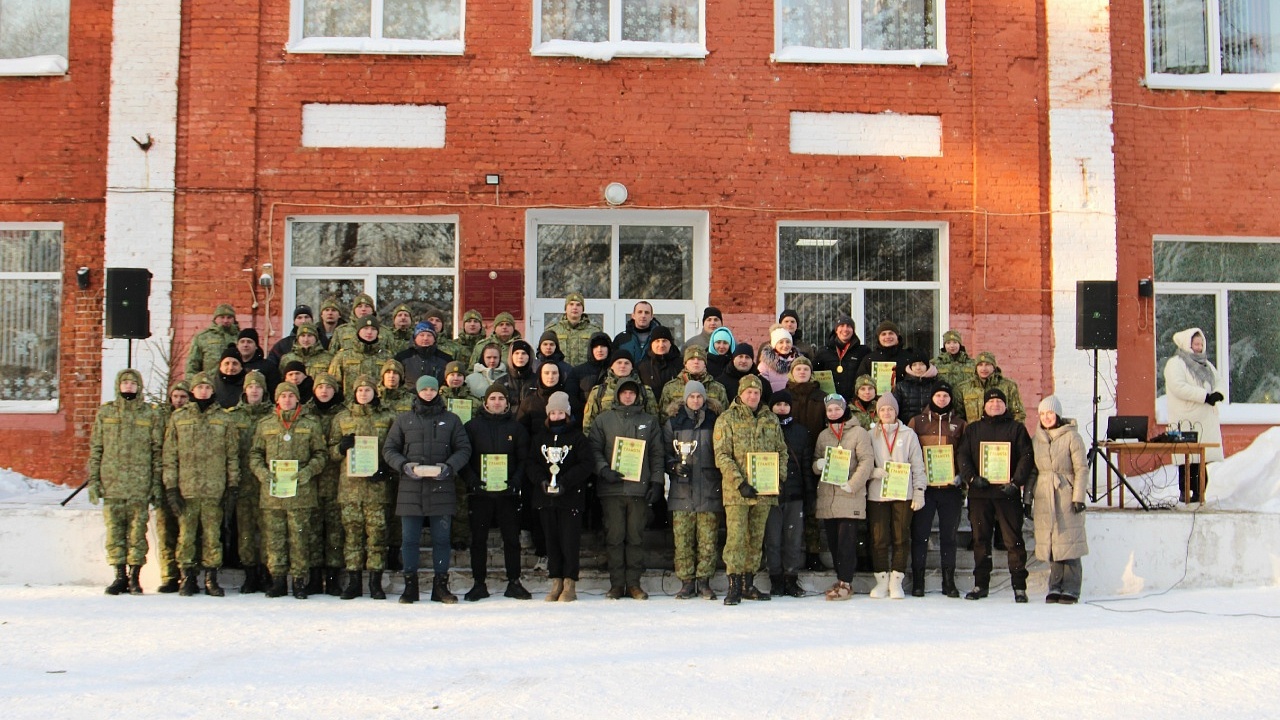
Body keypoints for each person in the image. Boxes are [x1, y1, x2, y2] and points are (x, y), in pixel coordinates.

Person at [383, 376, 472, 604]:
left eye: (433, 389)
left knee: (442, 540)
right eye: (425, 389)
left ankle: (440, 586)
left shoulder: (451, 420)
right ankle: (410, 586)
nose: (429, 393)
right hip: (410, 488)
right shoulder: (404, 420)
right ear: (418, 392)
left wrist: (449, 466)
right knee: (409, 540)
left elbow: (463, 448)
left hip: (441, 487)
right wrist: (403, 465)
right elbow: (389, 449)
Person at [86, 369, 164, 595]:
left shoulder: (150, 414)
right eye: (125, 383)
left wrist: (156, 484)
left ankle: (134, 576)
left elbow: (156, 451)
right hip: (112, 483)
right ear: (118, 386)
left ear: (139, 386)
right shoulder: (106, 413)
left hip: (139, 484)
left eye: (133, 383)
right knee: (115, 532)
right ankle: (119, 575)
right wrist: (94, 481)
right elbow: (97, 448)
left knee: (137, 532)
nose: (129, 387)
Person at [162, 372, 240, 597]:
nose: (203, 391)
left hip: (215, 488)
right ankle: (187, 578)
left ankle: (210, 578)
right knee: (186, 536)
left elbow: (232, 456)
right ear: (192, 392)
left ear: (212, 391)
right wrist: (171, 487)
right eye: (199, 388)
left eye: (207, 388)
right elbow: (170, 456)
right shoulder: (179, 418)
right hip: (187, 488)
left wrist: (232, 486)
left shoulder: (225, 419)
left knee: (212, 536)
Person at [249, 382, 329, 599]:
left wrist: (306, 473)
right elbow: (255, 454)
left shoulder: (311, 424)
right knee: (274, 539)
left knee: (300, 539)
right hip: (273, 493)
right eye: (282, 396)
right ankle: (277, 580)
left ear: (297, 399)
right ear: (277, 399)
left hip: (300, 493)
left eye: (290, 396)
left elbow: (321, 455)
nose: (287, 399)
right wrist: (263, 474)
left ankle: (299, 581)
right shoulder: (265, 424)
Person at [957, 387, 1036, 602]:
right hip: (980, 495)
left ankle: (1019, 586)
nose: (995, 405)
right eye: (991, 402)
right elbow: (962, 455)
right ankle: (980, 584)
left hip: (1006, 494)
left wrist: (1016, 482)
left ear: (1005, 405)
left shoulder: (1016, 429)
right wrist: (972, 478)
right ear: (984, 406)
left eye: (999, 402)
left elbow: (1027, 457)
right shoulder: (973, 429)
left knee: (1013, 540)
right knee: (980, 540)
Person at [588, 378, 665, 599]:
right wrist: (603, 470)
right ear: (618, 395)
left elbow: (657, 454)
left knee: (635, 538)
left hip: (638, 490)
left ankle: (633, 583)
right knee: (614, 537)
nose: (628, 396)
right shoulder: (603, 421)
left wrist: (657, 482)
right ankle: (616, 584)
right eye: (624, 393)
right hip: (611, 490)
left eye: (632, 393)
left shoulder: (649, 422)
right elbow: (593, 448)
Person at [714, 374, 787, 605]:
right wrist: (739, 483)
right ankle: (734, 585)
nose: (753, 396)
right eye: (749, 392)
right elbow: (722, 455)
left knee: (756, 539)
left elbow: (781, 451)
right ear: (741, 394)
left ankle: (748, 582)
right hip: (737, 493)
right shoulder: (727, 419)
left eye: (756, 392)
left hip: (764, 491)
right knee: (736, 539)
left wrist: (779, 477)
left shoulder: (770, 419)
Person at [330, 374, 397, 600]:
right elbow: (329, 452)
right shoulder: (342, 418)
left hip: (376, 488)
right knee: (352, 536)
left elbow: (395, 447)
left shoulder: (388, 417)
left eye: (367, 390)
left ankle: (375, 582)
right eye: (360, 391)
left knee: (377, 535)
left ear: (375, 393)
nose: (363, 394)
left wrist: (386, 469)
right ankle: (354, 581)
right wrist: (341, 448)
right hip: (350, 488)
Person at [462, 385, 532, 601]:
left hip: (507, 494)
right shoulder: (472, 427)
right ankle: (478, 583)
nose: (497, 402)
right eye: (493, 398)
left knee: (511, 539)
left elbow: (524, 459)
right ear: (485, 402)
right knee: (479, 540)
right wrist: (473, 481)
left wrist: (516, 482)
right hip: (481, 494)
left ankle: (514, 581)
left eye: (501, 398)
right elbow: (463, 457)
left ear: (507, 403)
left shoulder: (516, 428)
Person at [526, 392, 592, 602]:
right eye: (553, 412)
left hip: (570, 497)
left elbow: (585, 464)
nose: (556, 415)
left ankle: (570, 582)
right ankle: (556, 580)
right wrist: (542, 481)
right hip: (546, 498)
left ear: (567, 413)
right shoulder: (539, 438)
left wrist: (565, 482)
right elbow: (531, 463)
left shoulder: (577, 437)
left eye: (560, 412)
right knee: (551, 541)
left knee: (569, 541)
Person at [662, 381, 724, 600]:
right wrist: (673, 466)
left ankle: (705, 581)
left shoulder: (715, 421)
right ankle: (687, 581)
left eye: (699, 397)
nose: (696, 400)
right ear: (685, 399)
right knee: (683, 540)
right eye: (692, 396)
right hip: (682, 490)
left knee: (708, 540)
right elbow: (664, 451)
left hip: (708, 487)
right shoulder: (673, 423)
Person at [811, 394, 874, 600]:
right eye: (829, 410)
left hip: (849, 495)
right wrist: (817, 465)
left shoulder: (859, 433)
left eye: (837, 409)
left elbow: (866, 461)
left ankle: (846, 582)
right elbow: (816, 460)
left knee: (847, 542)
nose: (833, 413)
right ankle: (840, 579)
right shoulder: (823, 435)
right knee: (834, 543)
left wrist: (853, 484)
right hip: (829, 496)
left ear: (844, 410)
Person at [907, 381, 966, 597]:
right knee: (920, 534)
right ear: (932, 398)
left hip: (950, 488)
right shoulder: (917, 422)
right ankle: (918, 581)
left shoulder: (959, 424)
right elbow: (910, 452)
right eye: (938, 395)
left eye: (945, 396)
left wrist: (961, 475)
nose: (942, 399)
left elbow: (963, 452)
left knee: (949, 536)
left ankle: (948, 582)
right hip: (925, 488)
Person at [865, 394, 927, 600]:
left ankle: (896, 580)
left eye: (890, 410)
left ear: (896, 412)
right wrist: (873, 472)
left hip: (903, 493)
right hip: (878, 493)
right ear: (878, 413)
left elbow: (918, 464)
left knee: (901, 536)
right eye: (883, 410)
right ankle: (881, 581)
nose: (886, 413)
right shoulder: (870, 434)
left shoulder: (909, 434)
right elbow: (863, 461)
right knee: (879, 538)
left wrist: (919, 491)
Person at [1032, 395, 1089, 604]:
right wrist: (1028, 496)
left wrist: (1078, 497)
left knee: (1069, 541)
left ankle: (1072, 587)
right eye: (1043, 414)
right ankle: (1055, 585)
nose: (1047, 417)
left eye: (1050, 413)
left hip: (1066, 492)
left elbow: (1081, 468)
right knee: (1052, 542)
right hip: (1044, 493)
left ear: (1058, 414)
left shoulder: (1072, 437)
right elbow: (1033, 470)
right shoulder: (1037, 438)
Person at [1163, 327, 1225, 503]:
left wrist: (1218, 394)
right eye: (1195, 344)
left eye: (1201, 344)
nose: (1198, 347)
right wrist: (1204, 396)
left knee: (1201, 459)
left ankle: (1200, 492)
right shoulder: (1176, 363)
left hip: (1204, 420)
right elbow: (1178, 387)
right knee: (1186, 458)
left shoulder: (1206, 364)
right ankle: (1185, 492)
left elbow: (1218, 380)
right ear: (1187, 344)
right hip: (1185, 419)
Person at [225, 370, 273, 594]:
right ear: (244, 390)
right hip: (243, 482)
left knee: (267, 530)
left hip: (268, 483)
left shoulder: (273, 416)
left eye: (258, 387)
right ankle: (250, 572)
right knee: (245, 530)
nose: (254, 390)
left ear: (264, 391)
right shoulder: (232, 417)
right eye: (251, 386)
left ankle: (266, 571)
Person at [765, 390, 814, 598]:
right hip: (771, 493)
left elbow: (805, 465)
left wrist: (809, 493)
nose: (782, 408)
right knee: (773, 540)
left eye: (785, 404)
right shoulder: (764, 429)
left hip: (795, 494)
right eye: (778, 405)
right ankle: (775, 579)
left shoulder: (801, 432)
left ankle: (791, 578)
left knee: (793, 540)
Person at [304, 372, 345, 596]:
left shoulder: (343, 414)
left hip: (336, 479)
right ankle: (313, 576)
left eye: (328, 388)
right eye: (320, 387)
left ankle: (332, 577)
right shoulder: (305, 413)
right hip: (310, 481)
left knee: (335, 532)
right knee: (312, 531)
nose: (324, 391)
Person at [153, 380, 190, 593]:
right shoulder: (160, 418)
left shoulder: (192, 419)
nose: (178, 400)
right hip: (165, 481)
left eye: (183, 397)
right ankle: (169, 575)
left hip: (187, 482)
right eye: (175, 396)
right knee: (166, 529)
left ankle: (186, 572)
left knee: (186, 532)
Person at [582, 350, 659, 432]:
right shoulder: (599, 392)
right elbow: (589, 424)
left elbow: (654, 422)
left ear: (632, 367)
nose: (623, 366)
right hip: (606, 440)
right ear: (611, 366)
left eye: (626, 363)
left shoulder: (645, 392)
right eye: (619, 363)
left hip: (637, 440)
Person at [659, 345, 730, 418]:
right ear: (685, 363)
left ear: (705, 364)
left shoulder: (718, 388)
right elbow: (664, 417)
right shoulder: (670, 387)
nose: (696, 362)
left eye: (700, 359)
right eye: (692, 358)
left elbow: (724, 417)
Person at [328, 316, 391, 398]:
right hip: (349, 407)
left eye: (373, 329)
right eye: (365, 328)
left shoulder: (386, 357)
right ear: (358, 331)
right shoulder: (343, 356)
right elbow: (333, 383)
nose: (369, 332)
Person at [956, 351, 1027, 423]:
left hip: (1002, 432)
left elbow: (1018, 413)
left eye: (987, 365)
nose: (984, 368)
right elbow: (958, 417)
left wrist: (1014, 432)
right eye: (980, 365)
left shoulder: (1008, 386)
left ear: (994, 367)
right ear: (976, 368)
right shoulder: (964, 388)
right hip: (973, 432)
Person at [815, 316, 869, 401]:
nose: (845, 329)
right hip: (830, 402)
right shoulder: (823, 352)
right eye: (841, 325)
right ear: (836, 330)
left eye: (849, 326)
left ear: (853, 330)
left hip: (854, 402)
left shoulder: (863, 351)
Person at [546, 292, 603, 366]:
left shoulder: (594, 331)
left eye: (578, 305)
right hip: (560, 374)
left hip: (585, 375)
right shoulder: (553, 331)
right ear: (565, 308)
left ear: (583, 309)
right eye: (571, 304)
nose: (575, 307)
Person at [856, 320, 910, 394]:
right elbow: (860, 382)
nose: (887, 337)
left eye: (891, 333)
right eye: (883, 334)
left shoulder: (908, 357)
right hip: (876, 402)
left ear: (897, 336)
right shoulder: (870, 359)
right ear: (879, 338)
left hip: (904, 402)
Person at [395, 322, 452, 391]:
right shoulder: (403, 357)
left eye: (429, 335)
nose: (425, 338)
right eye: (421, 335)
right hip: (410, 399)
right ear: (415, 338)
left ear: (434, 339)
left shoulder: (445, 359)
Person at [186, 304, 239, 376]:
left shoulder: (240, 338)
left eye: (229, 317)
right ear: (215, 319)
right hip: (210, 383)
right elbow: (192, 365)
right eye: (222, 317)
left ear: (234, 320)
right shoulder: (202, 337)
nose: (225, 320)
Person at [567, 331, 612, 414]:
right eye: (595, 347)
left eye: (603, 346)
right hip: (583, 419)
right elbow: (571, 398)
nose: (599, 350)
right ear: (590, 349)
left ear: (609, 348)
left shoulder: (615, 370)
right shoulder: (577, 371)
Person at [891, 348, 940, 423]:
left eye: (921, 364)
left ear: (927, 366)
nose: (918, 368)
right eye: (914, 365)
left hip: (931, 427)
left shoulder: (936, 385)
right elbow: (894, 408)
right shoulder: (902, 386)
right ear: (910, 367)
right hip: (908, 427)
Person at [718, 342, 772, 406]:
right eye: (740, 357)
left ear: (752, 361)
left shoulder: (763, 383)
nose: (743, 361)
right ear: (733, 359)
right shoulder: (720, 382)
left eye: (747, 357)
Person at [636, 325, 682, 399]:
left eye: (664, 341)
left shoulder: (680, 364)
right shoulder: (642, 367)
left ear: (670, 343)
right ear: (651, 344)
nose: (661, 345)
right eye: (657, 341)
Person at [266, 304, 314, 369]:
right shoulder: (283, 345)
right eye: (299, 318)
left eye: (306, 317)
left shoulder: (321, 340)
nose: (303, 321)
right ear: (294, 321)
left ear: (312, 320)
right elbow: (271, 367)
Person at [757, 326, 800, 393]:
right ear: (774, 345)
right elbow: (762, 388)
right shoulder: (764, 366)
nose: (785, 345)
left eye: (788, 342)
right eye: (781, 342)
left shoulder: (799, 362)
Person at [499, 340, 539, 408]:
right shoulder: (501, 382)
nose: (520, 356)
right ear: (511, 356)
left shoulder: (538, 381)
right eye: (516, 353)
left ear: (529, 356)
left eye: (524, 353)